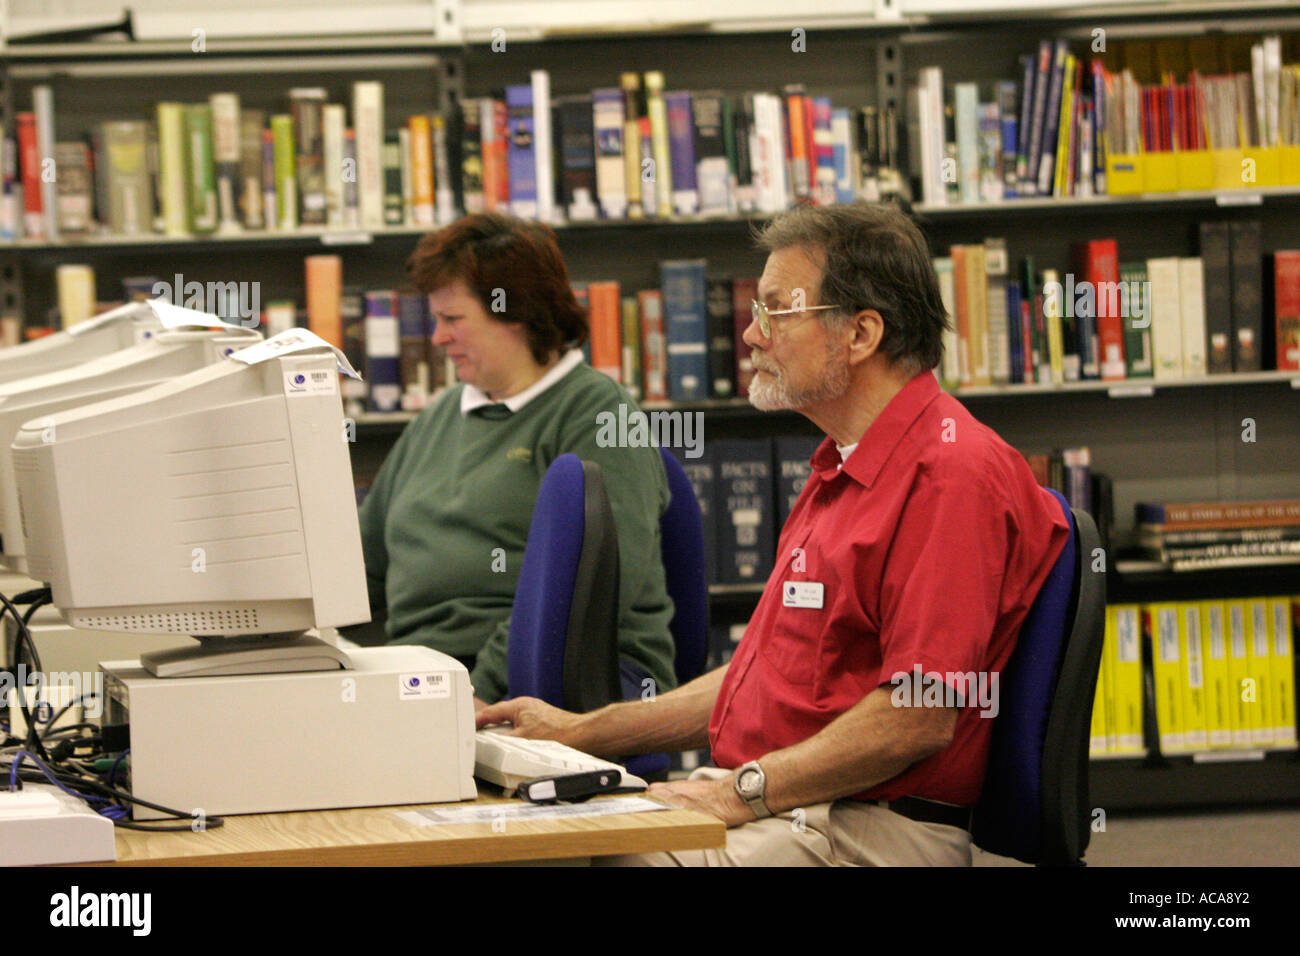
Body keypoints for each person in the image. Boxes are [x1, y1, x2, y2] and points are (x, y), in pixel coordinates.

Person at [476, 202, 1071, 866]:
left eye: (774, 312)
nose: (751, 337)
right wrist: (582, 733)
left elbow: (916, 716)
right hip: (793, 805)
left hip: (869, 826)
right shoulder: (840, 467)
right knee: (536, 835)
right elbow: (760, 677)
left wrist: (736, 794)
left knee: (577, 860)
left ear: (860, 334)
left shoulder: (951, 475)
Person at [357, 213, 677, 706]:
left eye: (453, 319)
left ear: (515, 311)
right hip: (428, 676)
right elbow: (363, 565)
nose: (438, 337)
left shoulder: (598, 412)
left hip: (565, 675)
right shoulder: (440, 415)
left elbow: (592, 592)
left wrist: (479, 690)